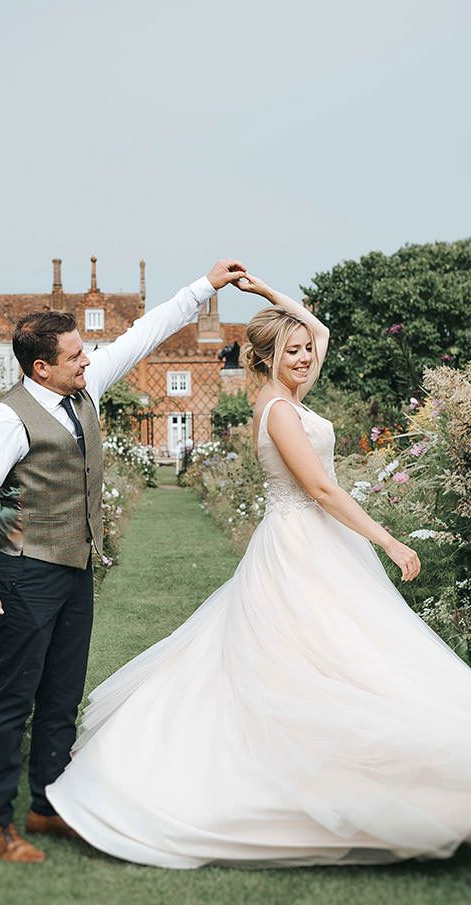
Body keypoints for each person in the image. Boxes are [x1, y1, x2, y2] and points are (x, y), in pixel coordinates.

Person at [45, 273, 471, 868]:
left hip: (320, 541)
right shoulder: (278, 411)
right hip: (300, 541)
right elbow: (321, 488)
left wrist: (270, 295)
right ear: (267, 359)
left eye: (305, 352)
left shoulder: (291, 393)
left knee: (345, 650)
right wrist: (389, 540)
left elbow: (320, 330)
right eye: (291, 352)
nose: (305, 357)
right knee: (312, 653)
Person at [0, 259, 248, 862]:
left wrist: (205, 286)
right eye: (75, 355)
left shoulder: (83, 389)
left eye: (85, 353)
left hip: (75, 571)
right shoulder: (6, 419)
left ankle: (47, 806)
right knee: (12, 698)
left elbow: (142, 334)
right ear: (41, 367)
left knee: (62, 696)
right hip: (22, 573)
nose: (87, 360)